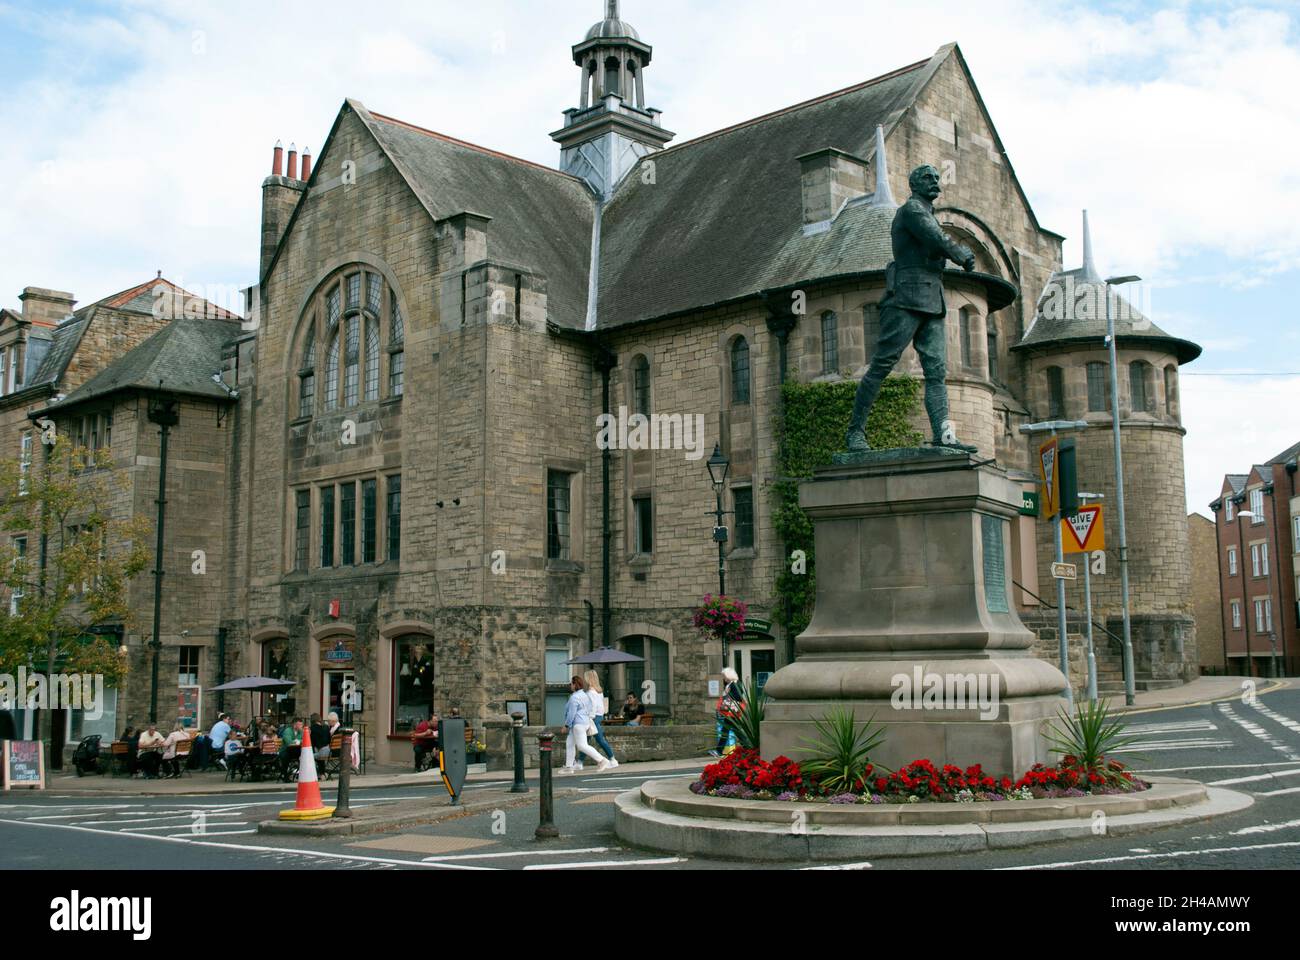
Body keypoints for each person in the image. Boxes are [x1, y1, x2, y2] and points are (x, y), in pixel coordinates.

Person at [845, 164, 978, 454]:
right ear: (914, 184)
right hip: (906, 296)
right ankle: (855, 431)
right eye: (928, 179)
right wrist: (959, 253)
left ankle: (943, 434)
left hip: (932, 299)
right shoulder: (912, 210)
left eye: (936, 179)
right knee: (882, 364)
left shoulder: (925, 212)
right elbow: (934, 236)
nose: (935, 184)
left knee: (936, 371)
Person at [561, 675, 608, 774]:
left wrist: (566, 725)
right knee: (569, 743)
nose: (570, 686)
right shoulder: (585, 695)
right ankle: (569, 767)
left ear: (575, 685)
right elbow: (590, 708)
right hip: (584, 722)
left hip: (578, 724)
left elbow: (571, 713)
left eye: (571, 684)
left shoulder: (574, 698)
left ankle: (602, 760)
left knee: (582, 745)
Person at [583, 670, 617, 768]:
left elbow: (593, 706)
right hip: (599, 716)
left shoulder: (590, 692)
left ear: (589, 679)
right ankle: (579, 762)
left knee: (595, 740)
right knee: (586, 740)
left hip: (593, 717)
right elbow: (601, 706)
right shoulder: (599, 691)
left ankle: (612, 759)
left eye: (586, 678)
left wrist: (590, 718)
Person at [711, 667, 743, 758]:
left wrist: (728, 695)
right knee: (735, 731)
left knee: (726, 730)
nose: (723, 678)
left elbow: (739, 697)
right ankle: (748, 747)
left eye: (724, 676)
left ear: (729, 675)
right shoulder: (730, 684)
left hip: (732, 712)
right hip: (731, 712)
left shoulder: (734, 684)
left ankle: (719, 751)